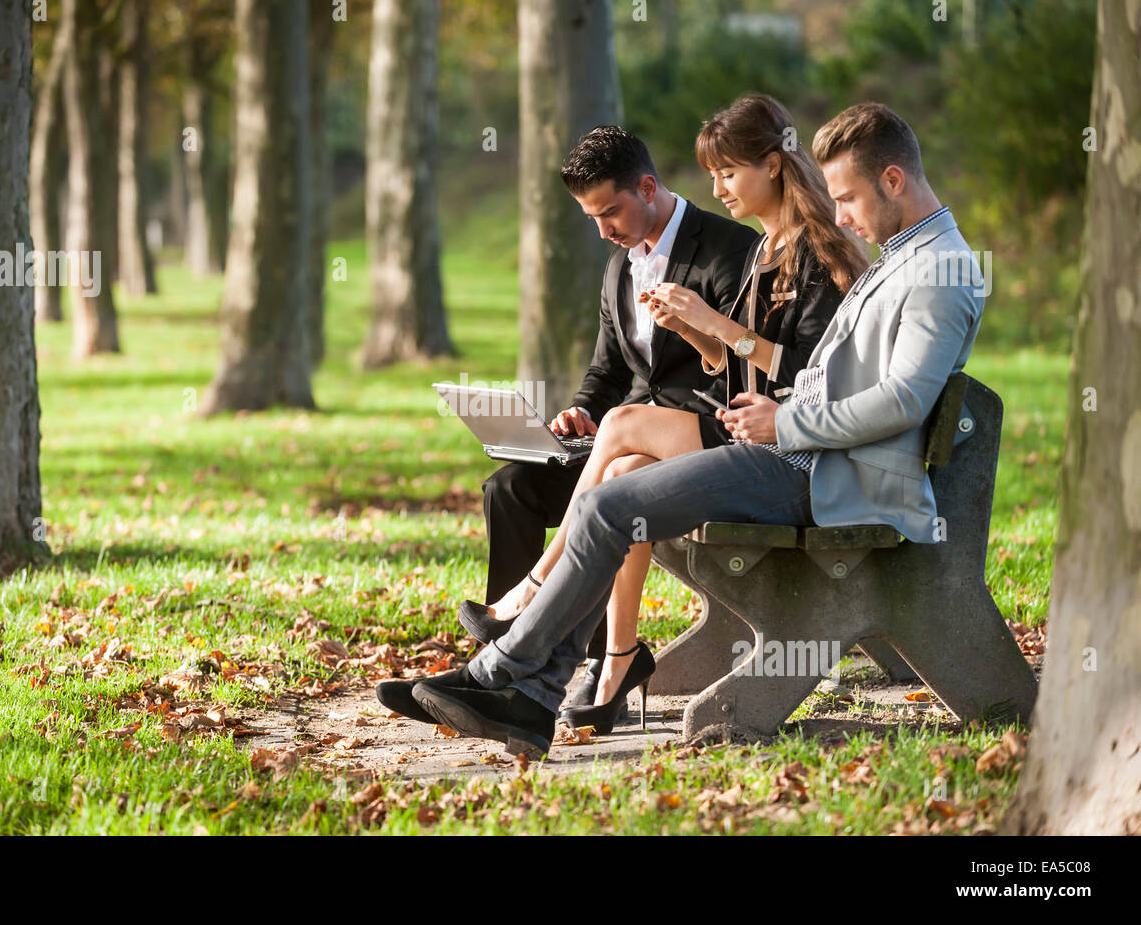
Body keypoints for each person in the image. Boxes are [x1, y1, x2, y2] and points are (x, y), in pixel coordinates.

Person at [390, 102, 987, 758]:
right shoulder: (905, 257)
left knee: (609, 505)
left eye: (847, 197)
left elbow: (901, 402)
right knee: (605, 501)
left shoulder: (938, 270)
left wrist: (784, 419)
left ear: (893, 180)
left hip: (828, 475)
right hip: (804, 456)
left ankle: (508, 682)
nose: (839, 213)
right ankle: (520, 690)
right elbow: (837, 377)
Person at [453, 95, 865, 735]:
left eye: (729, 173)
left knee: (623, 429)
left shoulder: (774, 251)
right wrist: (696, 341)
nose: (719, 188)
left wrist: (708, 324)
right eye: (714, 176)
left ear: (773, 166)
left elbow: (806, 376)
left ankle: (533, 596)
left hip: (765, 446)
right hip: (716, 435)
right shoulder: (751, 252)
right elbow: (653, 368)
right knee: (581, 475)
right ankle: (606, 662)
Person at [377, 126, 758, 723]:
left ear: (649, 187)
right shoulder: (618, 268)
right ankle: (500, 660)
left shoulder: (728, 249)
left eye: (611, 211)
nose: (604, 229)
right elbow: (609, 372)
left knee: (617, 483)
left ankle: (531, 641)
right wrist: (580, 409)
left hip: (697, 441)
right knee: (512, 487)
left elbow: (739, 371)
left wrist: (652, 406)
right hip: (623, 434)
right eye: (591, 218)